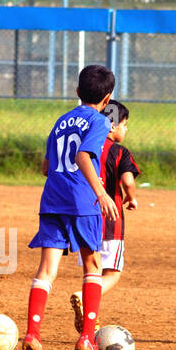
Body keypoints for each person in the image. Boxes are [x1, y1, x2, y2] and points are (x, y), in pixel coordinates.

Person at [21, 65, 119, 350]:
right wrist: (101, 192)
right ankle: (87, 338)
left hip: (52, 198)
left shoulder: (62, 120)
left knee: (46, 270)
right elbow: (83, 157)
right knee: (92, 266)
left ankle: (33, 335)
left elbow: (46, 165)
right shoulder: (100, 120)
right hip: (82, 200)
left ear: (77, 92)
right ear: (107, 98)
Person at [71, 99, 140, 332]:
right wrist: (131, 197)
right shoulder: (120, 152)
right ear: (111, 126)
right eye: (124, 124)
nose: (126, 129)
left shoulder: (87, 146)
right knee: (113, 273)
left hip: (84, 215)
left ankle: (92, 317)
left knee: (91, 269)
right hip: (111, 221)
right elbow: (128, 180)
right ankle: (83, 298)